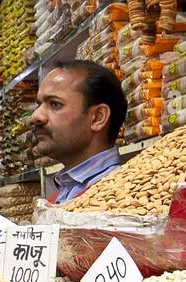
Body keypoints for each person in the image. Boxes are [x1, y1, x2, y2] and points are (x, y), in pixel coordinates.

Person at [31, 59, 127, 205]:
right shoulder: (59, 196)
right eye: (39, 105)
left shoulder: (123, 197)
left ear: (97, 118)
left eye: (55, 104)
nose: (35, 116)